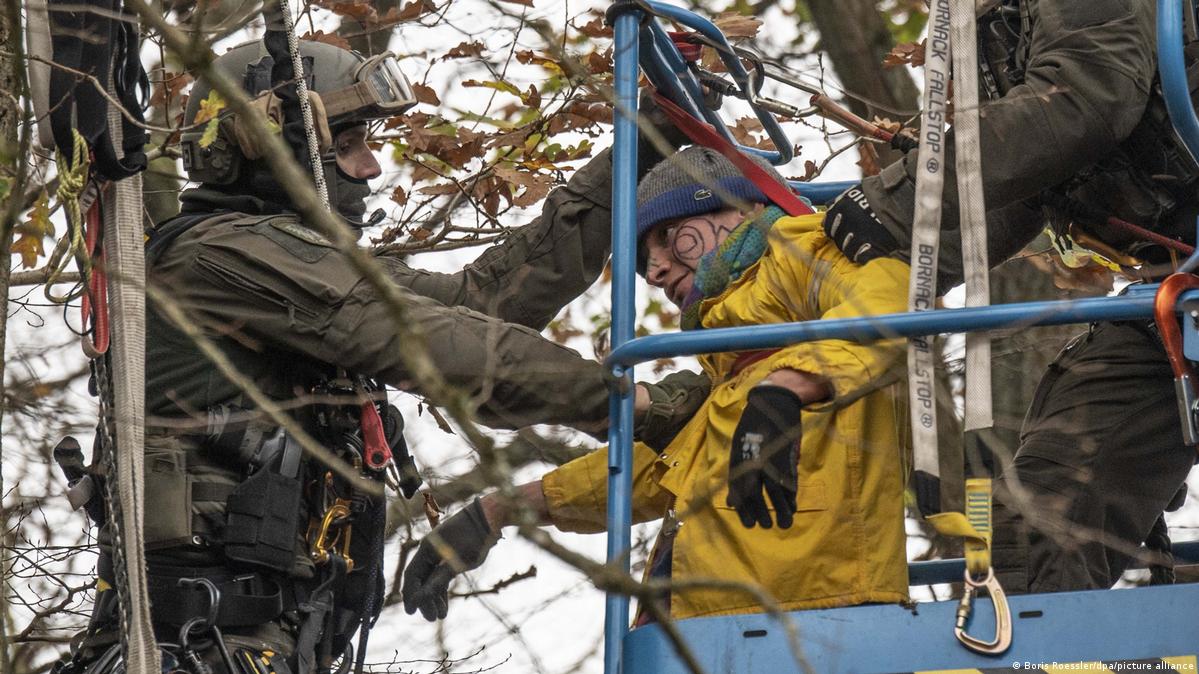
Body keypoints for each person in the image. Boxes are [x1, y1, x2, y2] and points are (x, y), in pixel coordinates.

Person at [55, 38, 709, 674]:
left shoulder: (300, 264)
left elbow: (486, 303)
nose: (371, 169)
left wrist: (647, 138)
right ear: (261, 145)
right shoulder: (221, 257)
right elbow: (437, 348)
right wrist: (637, 406)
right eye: (346, 147)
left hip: (262, 646)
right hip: (201, 645)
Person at [401, 146, 912, 622]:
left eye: (667, 236)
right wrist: (495, 510)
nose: (654, 271)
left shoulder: (801, 253)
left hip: (815, 614)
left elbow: (885, 300)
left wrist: (785, 388)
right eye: (645, 259)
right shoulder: (731, 367)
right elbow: (656, 469)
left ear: (742, 209)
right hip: (708, 621)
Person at [818, 0, 1197, 593]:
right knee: (1036, 523)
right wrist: (869, 260)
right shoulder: (987, 27)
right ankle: (1039, 639)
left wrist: (904, 197)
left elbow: (1083, 102)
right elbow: (1022, 186)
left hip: (1172, 296)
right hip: (1172, 306)